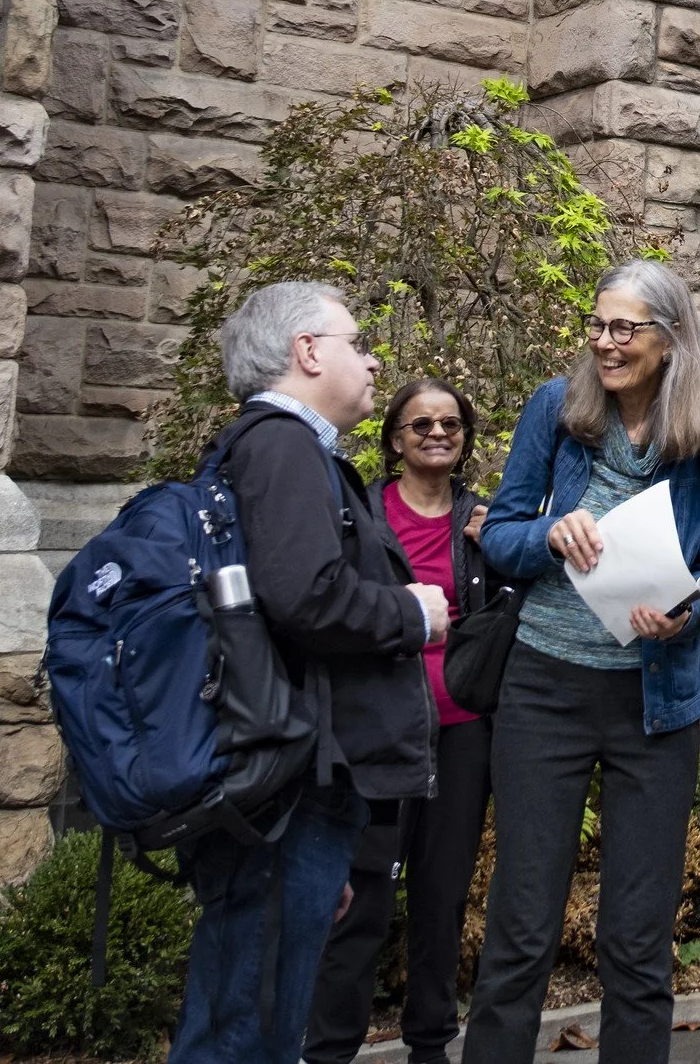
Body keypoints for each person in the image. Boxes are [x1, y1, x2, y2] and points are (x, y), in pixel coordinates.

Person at [463, 259, 700, 1064]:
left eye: (625, 328)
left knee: (638, 934)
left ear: (670, 338)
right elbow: (502, 532)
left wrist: (689, 610)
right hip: (544, 688)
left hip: (654, 702)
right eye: (597, 325)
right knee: (521, 925)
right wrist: (551, 532)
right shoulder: (557, 407)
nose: (605, 342)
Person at [172, 282, 449, 1064]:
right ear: (306, 351)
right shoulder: (281, 444)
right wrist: (413, 613)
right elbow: (305, 593)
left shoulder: (277, 448)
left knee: (256, 1007)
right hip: (288, 792)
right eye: (356, 342)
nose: (369, 360)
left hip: (294, 790)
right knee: (247, 1026)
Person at [304, 378, 496, 1064]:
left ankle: (429, 1043)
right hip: (381, 731)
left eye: (451, 423)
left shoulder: (480, 519)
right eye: (421, 424)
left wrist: (496, 545)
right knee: (363, 897)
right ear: (395, 438)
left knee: (441, 897)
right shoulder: (364, 515)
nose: (438, 433)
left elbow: (499, 615)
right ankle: (328, 1047)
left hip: (462, 728)